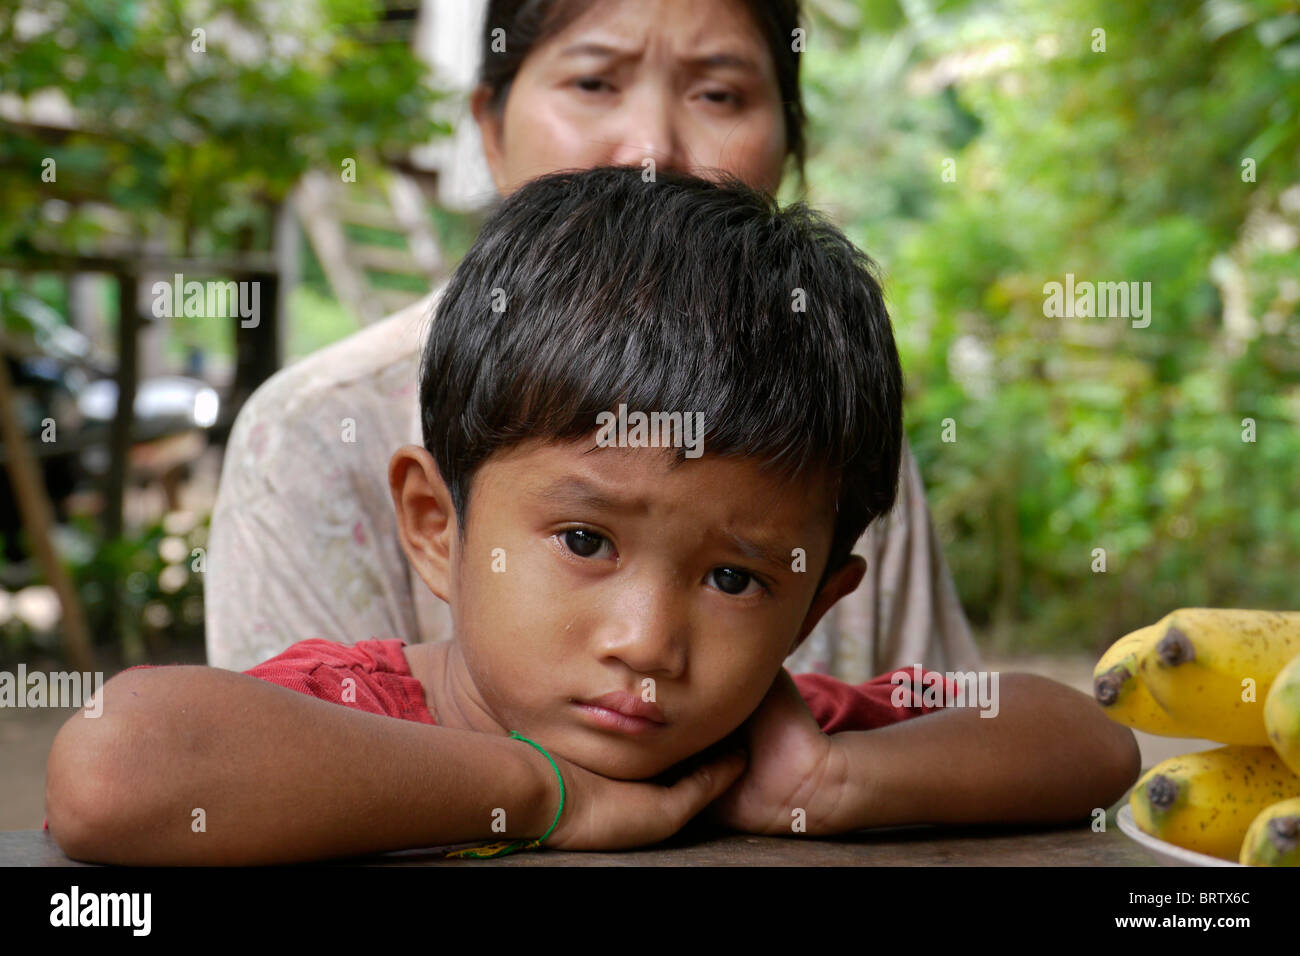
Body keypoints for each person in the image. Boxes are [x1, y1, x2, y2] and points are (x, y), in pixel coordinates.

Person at [46, 167, 1138, 865]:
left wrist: (837, 781)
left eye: (734, 577)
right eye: (583, 541)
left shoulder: (771, 739)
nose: (646, 640)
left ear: (813, 603)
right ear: (437, 523)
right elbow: (112, 769)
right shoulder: (351, 717)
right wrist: (539, 793)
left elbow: (1090, 740)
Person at [205, 0, 983, 680]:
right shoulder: (311, 434)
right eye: (593, 82)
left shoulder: (826, 434)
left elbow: (949, 743)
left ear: (790, 145)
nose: (651, 152)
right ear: (489, 130)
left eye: (719, 92)